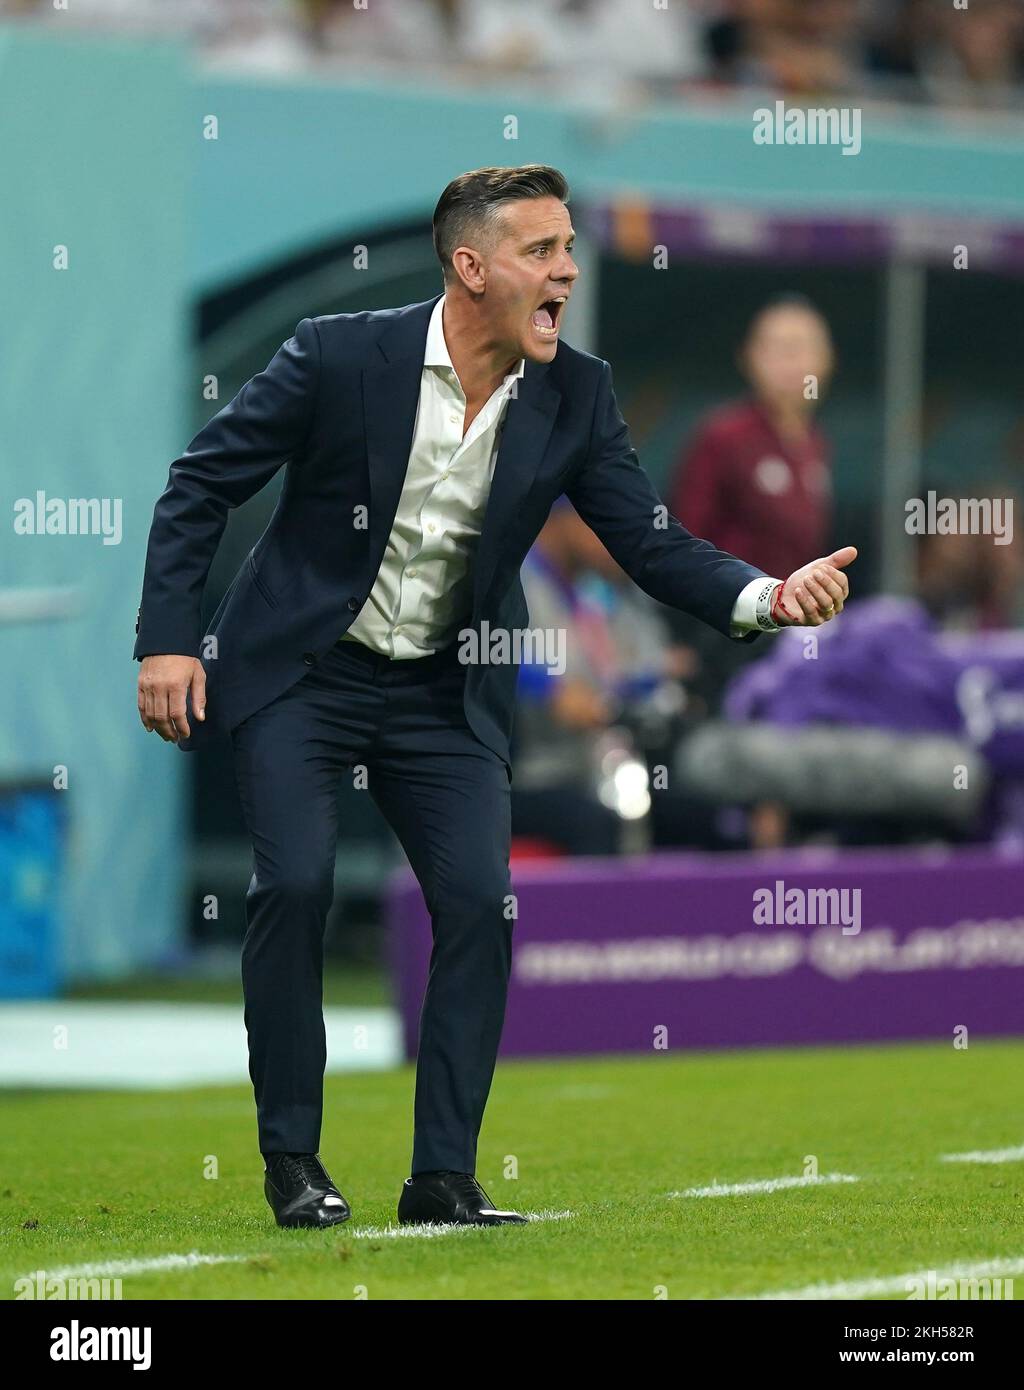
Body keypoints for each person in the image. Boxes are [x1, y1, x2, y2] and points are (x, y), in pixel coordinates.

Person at [133, 164, 855, 1230]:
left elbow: (646, 542)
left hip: (441, 689)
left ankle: (441, 1178)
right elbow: (201, 483)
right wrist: (165, 644)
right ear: (470, 267)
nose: (565, 269)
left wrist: (763, 593)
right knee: (295, 885)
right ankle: (293, 1158)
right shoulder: (336, 354)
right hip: (303, 673)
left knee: (478, 901)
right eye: (540, 250)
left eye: (568, 248)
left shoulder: (576, 392)